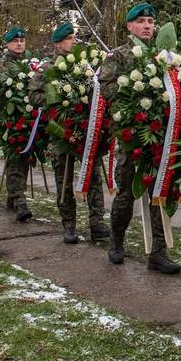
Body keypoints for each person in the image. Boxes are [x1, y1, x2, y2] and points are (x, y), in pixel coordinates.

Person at [98, 2, 179, 274]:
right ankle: (116, 241)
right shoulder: (118, 55)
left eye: (150, 21)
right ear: (129, 26)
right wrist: (133, 104)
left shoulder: (162, 55)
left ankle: (158, 252)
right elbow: (107, 88)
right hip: (133, 135)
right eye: (141, 21)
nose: (147, 26)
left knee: (159, 190)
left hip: (159, 136)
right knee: (127, 193)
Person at [29, 21, 111, 244]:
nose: (74, 41)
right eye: (69, 38)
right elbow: (34, 97)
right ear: (57, 44)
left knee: (93, 177)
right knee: (64, 179)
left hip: (85, 131)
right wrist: (59, 102)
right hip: (61, 133)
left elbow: (96, 92)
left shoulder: (85, 68)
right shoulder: (47, 69)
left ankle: (97, 224)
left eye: (74, 38)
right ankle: (69, 225)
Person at [0, 27, 34, 222]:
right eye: (15, 41)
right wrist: (5, 103)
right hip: (8, 119)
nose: (19, 44)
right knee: (15, 158)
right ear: (7, 43)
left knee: (26, 158)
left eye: (22, 40)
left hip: (29, 119)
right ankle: (20, 201)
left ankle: (13, 197)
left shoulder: (31, 65)